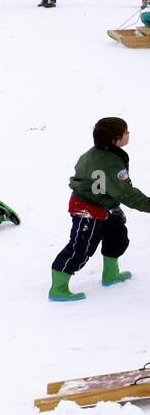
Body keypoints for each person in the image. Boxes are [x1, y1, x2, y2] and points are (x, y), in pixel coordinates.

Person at [50, 117, 150, 301]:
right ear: (116, 139)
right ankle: (58, 288)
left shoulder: (98, 154)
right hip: (87, 210)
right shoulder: (109, 163)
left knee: (117, 237)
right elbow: (125, 193)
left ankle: (111, 275)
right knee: (80, 247)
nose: (129, 135)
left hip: (106, 207)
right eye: (126, 132)